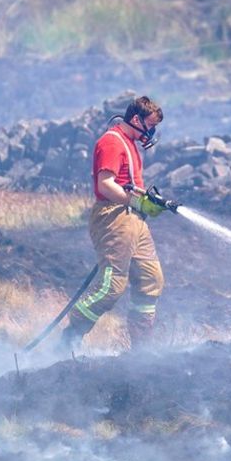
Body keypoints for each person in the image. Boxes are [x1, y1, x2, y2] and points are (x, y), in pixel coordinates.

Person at [61, 96, 169, 350]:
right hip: (114, 216)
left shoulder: (130, 143)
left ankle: (142, 351)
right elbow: (105, 184)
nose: (151, 133)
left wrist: (149, 201)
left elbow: (127, 183)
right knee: (112, 286)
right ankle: (69, 338)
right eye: (150, 126)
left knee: (150, 278)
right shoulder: (112, 142)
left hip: (134, 219)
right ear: (135, 120)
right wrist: (137, 202)